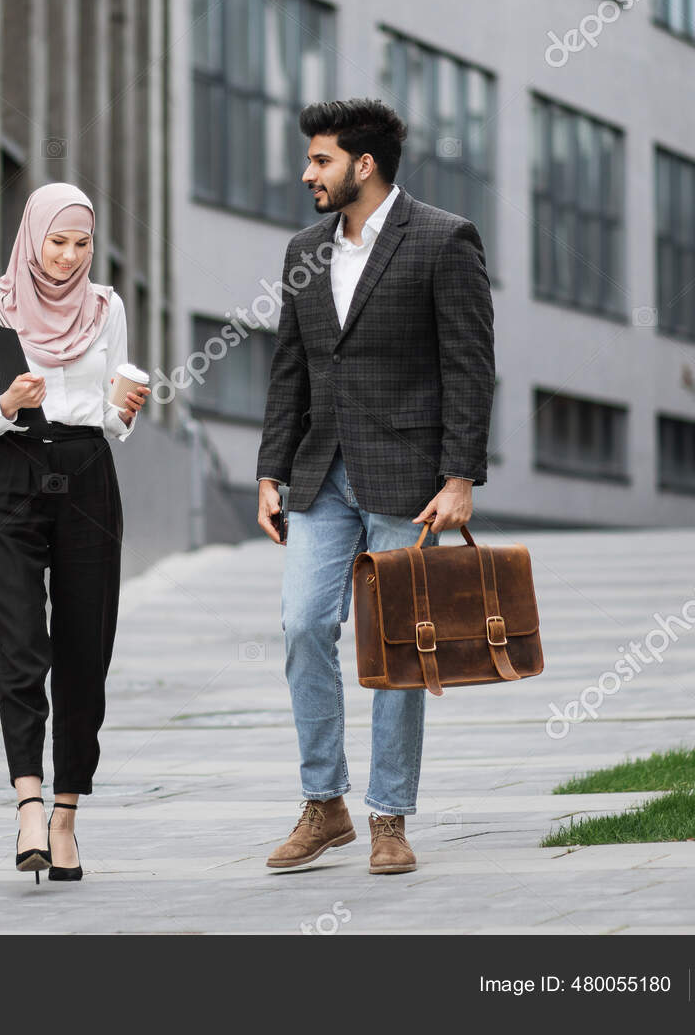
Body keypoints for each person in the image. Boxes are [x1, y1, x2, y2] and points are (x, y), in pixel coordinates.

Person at [254, 98, 496, 875]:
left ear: (363, 164)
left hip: (409, 481)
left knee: (397, 645)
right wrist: (270, 470)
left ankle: (389, 816)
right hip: (321, 475)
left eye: (319, 159)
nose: (306, 173)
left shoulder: (442, 239)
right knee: (301, 625)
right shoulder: (303, 248)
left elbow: (470, 364)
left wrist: (460, 476)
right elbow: (289, 368)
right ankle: (324, 806)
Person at [0, 181, 150, 885]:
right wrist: (6, 401)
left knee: (84, 648)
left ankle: (66, 813)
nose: (69, 256)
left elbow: (110, 417)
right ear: (31, 236)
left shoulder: (108, 308)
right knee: (19, 643)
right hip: (11, 471)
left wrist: (126, 408)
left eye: (82, 242)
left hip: (88, 475)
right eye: (57, 240)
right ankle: (27, 799)